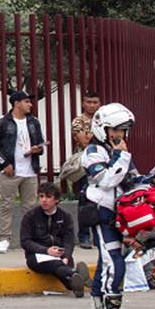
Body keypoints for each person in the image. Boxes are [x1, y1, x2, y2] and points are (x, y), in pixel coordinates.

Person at [81, 103, 155, 309]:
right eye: (116, 130)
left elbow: (132, 180)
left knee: (106, 263)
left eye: (123, 130)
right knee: (115, 263)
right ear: (102, 129)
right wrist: (120, 155)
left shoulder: (121, 153)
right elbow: (107, 180)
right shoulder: (92, 152)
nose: (120, 135)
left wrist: (153, 180)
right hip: (102, 214)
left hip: (123, 215)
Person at [0, 89, 45, 253]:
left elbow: (40, 143)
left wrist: (37, 149)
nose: (30, 104)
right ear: (16, 103)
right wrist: (4, 163)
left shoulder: (34, 121)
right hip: (10, 171)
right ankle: (4, 239)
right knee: (6, 205)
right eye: (27, 101)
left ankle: (30, 239)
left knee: (30, 207)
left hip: (30, 171)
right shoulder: (2, 121)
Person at [20, 182, 88, 298]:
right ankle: (75, 273)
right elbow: (25, 242)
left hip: (60, 255)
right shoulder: (30, 216)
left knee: (60, 266)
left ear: (56, 200)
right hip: (37, 256)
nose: (44, 200)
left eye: (48, 197)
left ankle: (75, 285)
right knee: (56, 265)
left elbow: (69, 240)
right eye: (41, 196)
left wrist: (66, 256)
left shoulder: (65, 216)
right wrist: (46, 251)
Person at [64, 92, 100, 248]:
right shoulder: (78, 121)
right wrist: (98, 138)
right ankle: (84, 236)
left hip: (102, 164)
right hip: (85, 166)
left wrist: (92, 137)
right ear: (83, 103)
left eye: (95, 102)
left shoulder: (102, 119)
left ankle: (98, 236)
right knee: (85, 201)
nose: (92, 105)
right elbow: (84, 142)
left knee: (101, 201)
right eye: (89, 102)